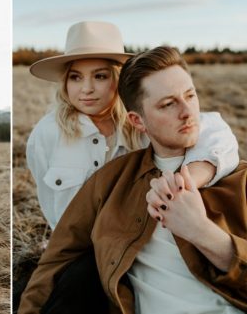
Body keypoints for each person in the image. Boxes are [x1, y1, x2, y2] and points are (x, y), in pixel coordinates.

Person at [19, 46, 247, 313]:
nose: (188, 112)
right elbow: (58, 257)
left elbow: (214, 129)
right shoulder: (110, 181)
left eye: (190, 95)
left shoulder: (236, 177)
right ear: (138, 121)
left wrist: (200, 230)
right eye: (168, 104)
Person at [26, 21, 238, 231]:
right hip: (77, 246)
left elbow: (214, 131)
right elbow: (49, 201)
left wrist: (185, 180)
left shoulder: (144, 122)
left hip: (131, 243)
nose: (87, 88)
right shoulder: (47, 133)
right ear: (65, 82)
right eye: (76, 77)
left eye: (100, 76)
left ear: (118, 79)